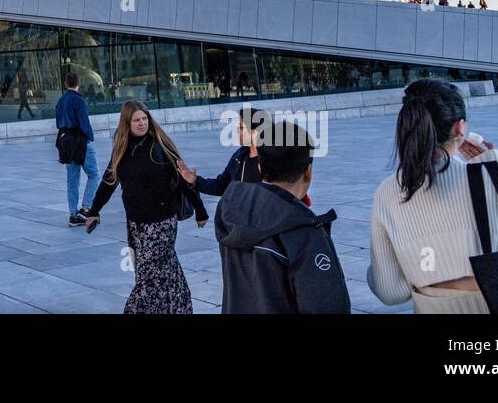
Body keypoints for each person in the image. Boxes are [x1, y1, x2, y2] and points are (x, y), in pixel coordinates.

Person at [367, 79, 498, 314]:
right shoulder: (485, 177)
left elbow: (390, 292)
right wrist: (495, 171)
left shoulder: (386, 193)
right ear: (460, 127)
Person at [84, 101, 207, 313]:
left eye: (144, 118)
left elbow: (183, 180)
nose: (142, 123)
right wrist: (94, 211)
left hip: (162, 222)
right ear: (126, 123)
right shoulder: (121, 151)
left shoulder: (160, 146)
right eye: (136, 120)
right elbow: (108, 183)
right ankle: (179, 308)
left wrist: (200, 210)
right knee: (158, 271)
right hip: (136, 224)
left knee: (148, 278)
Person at [215, 118, 349, 314]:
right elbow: (327, 304)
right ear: (308, 172)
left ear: (259, 167)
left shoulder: (232, 212)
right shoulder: (304, 233)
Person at [55, 72, 100, 226]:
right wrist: (91, 137)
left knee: (72, 179)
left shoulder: (60, 101)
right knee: (94, 174)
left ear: (66, 83)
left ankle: (73, 214)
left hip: (65, 142)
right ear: (78, 83)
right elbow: (84, 123)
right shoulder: (79, 100)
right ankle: (86, 208)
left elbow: (58, 123)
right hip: (80, 141)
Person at [195, 107, 263, 197]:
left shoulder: (274, 159)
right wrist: (195, 181)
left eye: (241, 127)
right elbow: (222, 185)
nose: (237, 131)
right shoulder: (238, 157)